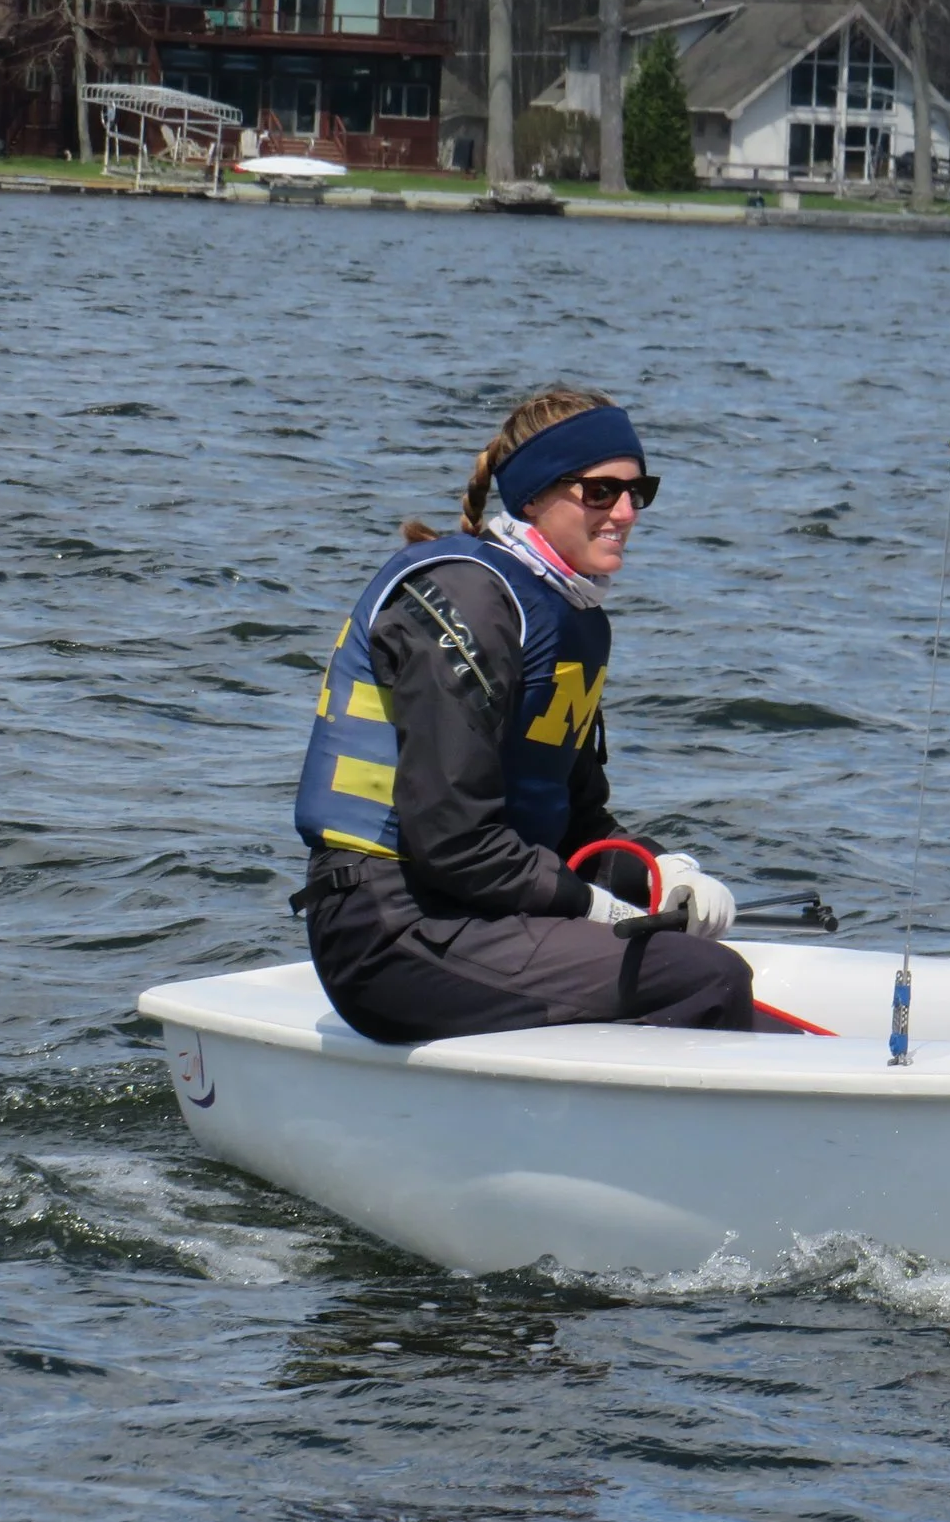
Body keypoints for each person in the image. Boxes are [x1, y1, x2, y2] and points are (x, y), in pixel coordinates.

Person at [292, 386, 757, 1042]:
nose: (625, 511)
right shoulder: (468, 603)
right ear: (537, 494)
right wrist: (590, 905)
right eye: (601, 491)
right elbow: (453, 841)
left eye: (637, 491)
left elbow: (575, 823)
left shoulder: (571, 621)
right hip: (387, 927)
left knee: (707, 960)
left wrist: (664, 873)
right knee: (707, 978)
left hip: (476, 913)